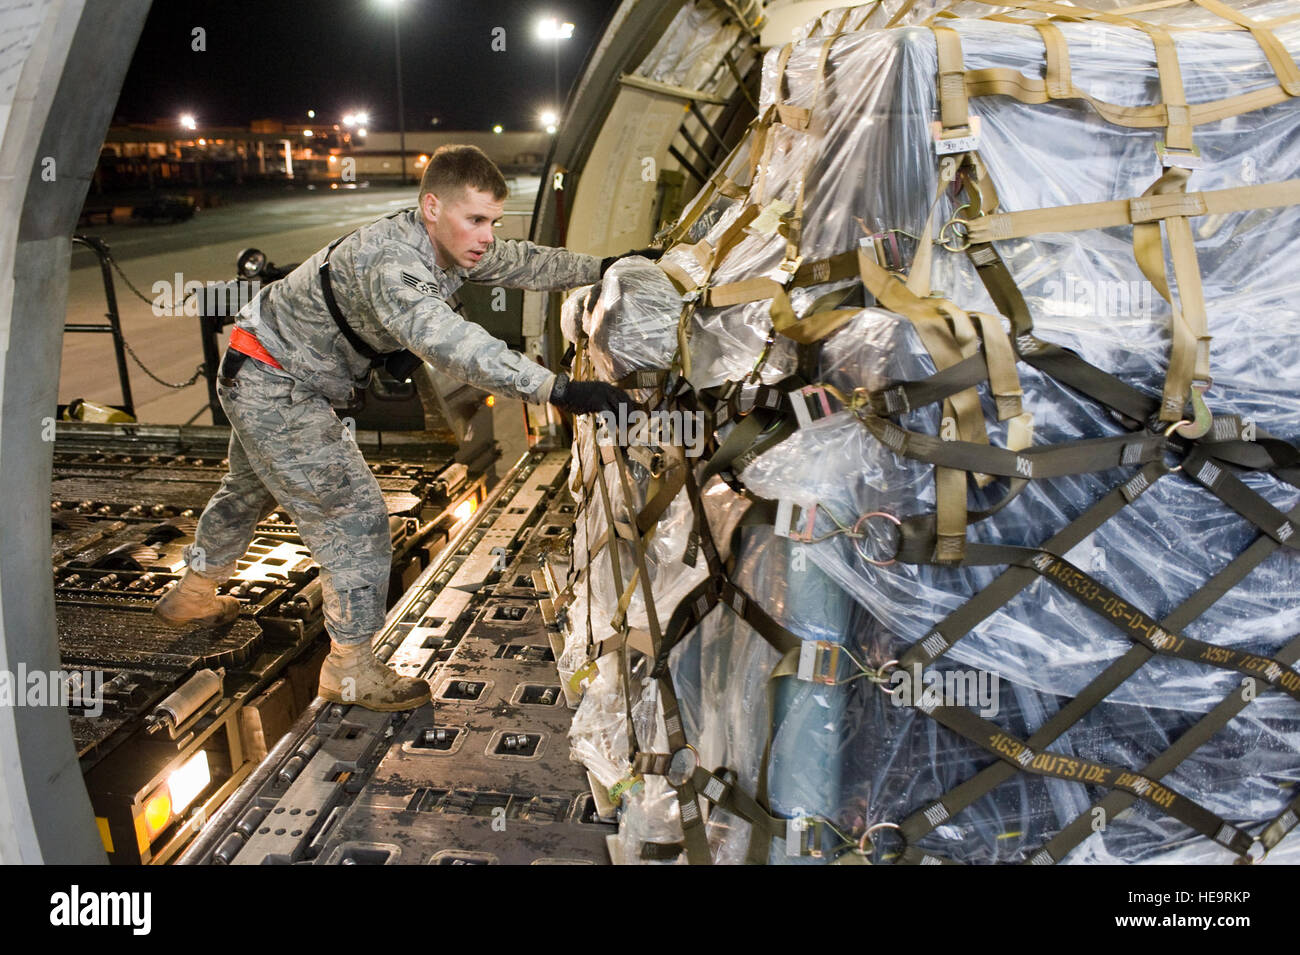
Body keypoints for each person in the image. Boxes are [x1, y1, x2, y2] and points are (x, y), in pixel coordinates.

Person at [154, 144, 644, 711]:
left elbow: (523, 261)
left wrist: (602, 268)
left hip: (259, 363)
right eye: (476, 220)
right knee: (356, 519)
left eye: (493, 221)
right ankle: (351, 670)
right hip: (277, 383)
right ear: (432, 207)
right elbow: (454, 344)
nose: (486, 236)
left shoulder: (447, 243)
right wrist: (559, 390)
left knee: (248, 488)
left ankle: (193, 593)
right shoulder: (396, 263)